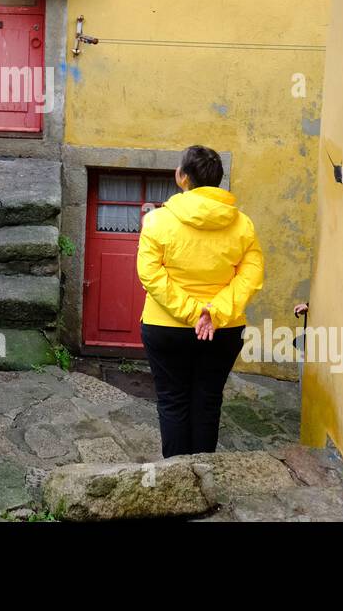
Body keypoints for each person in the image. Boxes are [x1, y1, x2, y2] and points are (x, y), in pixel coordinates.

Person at [137, 145, 264, 458]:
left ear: (182, 177)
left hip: (166, 326)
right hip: (221, 329)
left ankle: (177, 483)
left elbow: (150, 275)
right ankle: (204, 478)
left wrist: (193, 312)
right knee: (207, 400)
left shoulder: (156, 221)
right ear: (218, 180)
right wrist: (212, 312)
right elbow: (250, 278)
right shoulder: (243, 225)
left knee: (172, 400)